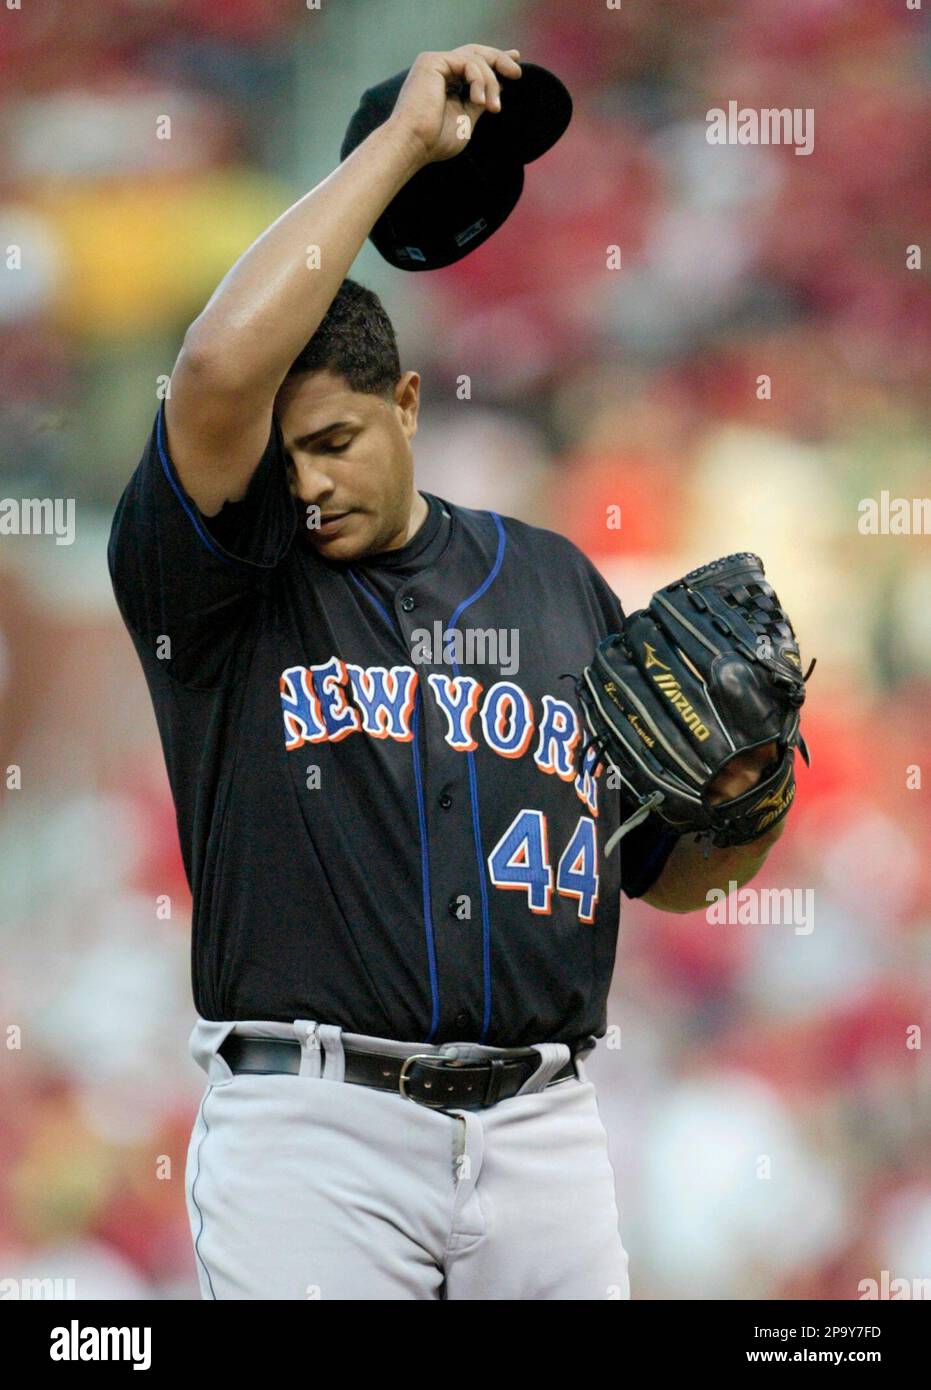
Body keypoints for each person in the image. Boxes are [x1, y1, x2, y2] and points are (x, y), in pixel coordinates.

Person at [108, 44, 789, 1301]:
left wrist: (746, 807)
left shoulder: (554, 585)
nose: (304, 483)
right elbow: (211, 373)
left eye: (333, 441)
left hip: (544, 1130)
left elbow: (668, 876)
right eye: (281, 456)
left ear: (408, 403)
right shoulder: (218, 588)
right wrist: (400, 154)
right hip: (316, 1131)